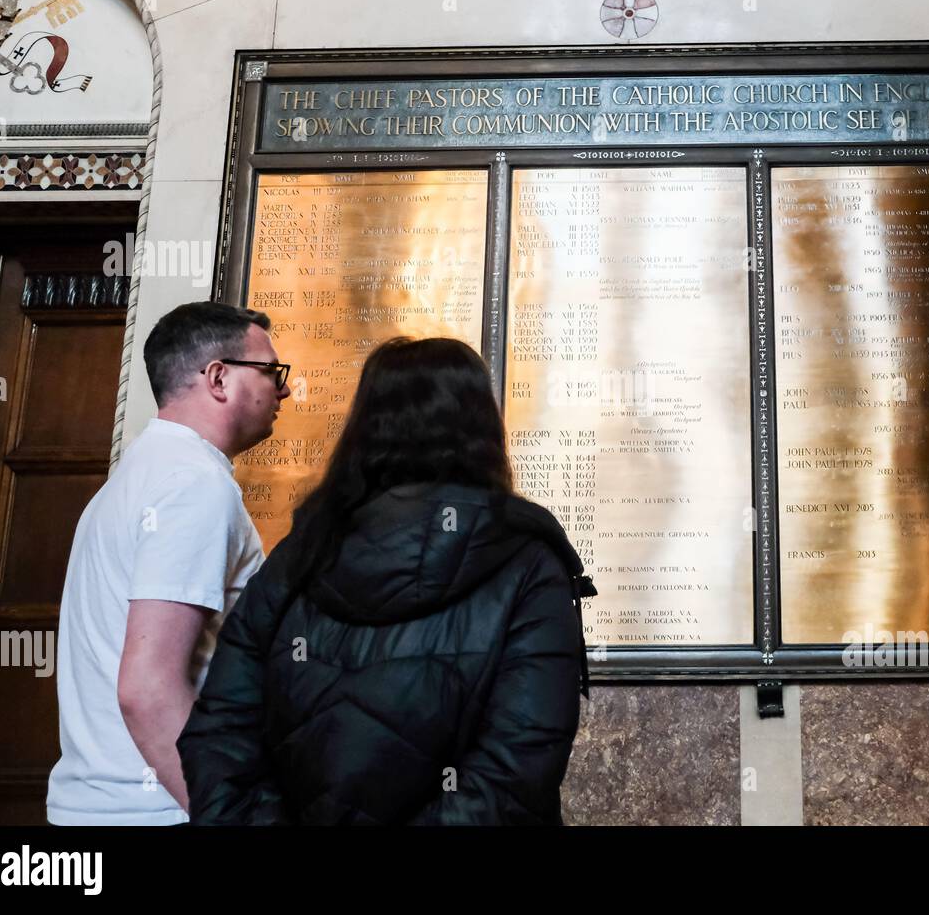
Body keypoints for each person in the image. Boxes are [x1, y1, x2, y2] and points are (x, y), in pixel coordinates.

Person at [177, 337, 592, 825]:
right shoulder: (529, 564)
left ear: (363, 428)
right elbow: (517, 766)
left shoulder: (296, 560)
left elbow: (220, 734)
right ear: (483, 428)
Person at [46, 302, 291, 825]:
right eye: (271, 372)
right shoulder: (192, 484)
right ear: (219, 378)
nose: (285, 389)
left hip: (107, 807)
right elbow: (147, 687)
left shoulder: (143, 473)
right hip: (155, 811)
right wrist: (224, 815)